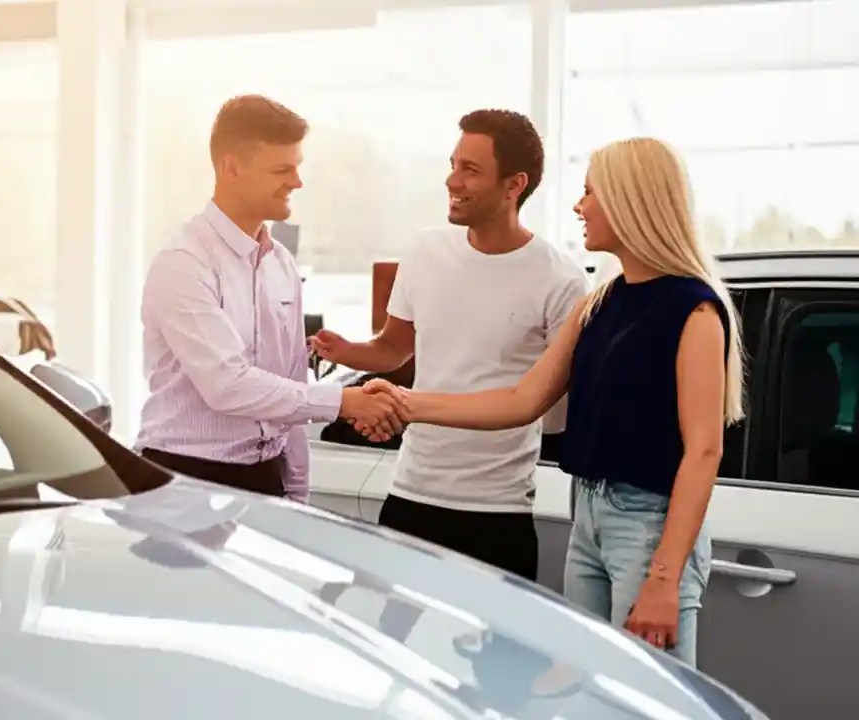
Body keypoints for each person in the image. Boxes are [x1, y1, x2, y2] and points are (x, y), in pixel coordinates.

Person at [358, 137, 744, 666]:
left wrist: (664, 578)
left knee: (645, 698)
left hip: (649, 528)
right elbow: (522, 399)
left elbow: (704, 451)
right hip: (587, 516)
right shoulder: (600, 302)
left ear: (632, 200)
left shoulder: (694, 311)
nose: (578, 206)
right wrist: (405, 402)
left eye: (590, 193)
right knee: (595, 692)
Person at [309, 109, 590, 581]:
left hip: (496, 513)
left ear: (514, 184)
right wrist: (346, 350)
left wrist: (407, 404)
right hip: (410, 497)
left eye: (470, 170)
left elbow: (546, 410)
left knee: (497, 657)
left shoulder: (561, 280)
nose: (452, 180)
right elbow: (393, 350)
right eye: (453, 164)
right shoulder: (426, 251)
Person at [134, 94, 404, 502]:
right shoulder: (184, 262)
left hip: (266, 478)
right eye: (282, 169)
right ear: (232, 168)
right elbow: (226, 385)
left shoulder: (282, 265)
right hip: (185, 481)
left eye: (297, 168)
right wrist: (344, 402)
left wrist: (297, 497)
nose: (296, 182)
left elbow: (291, 387)